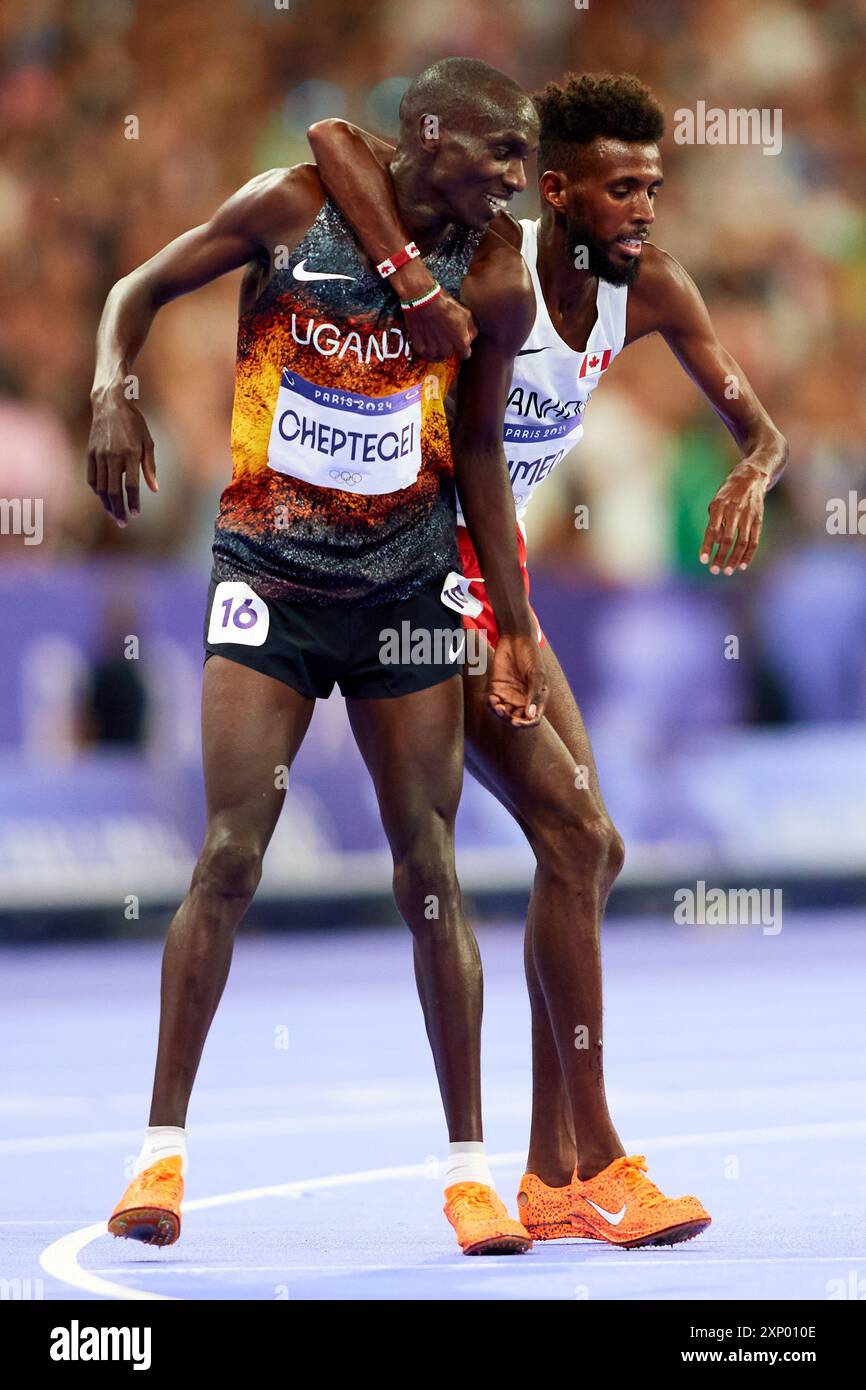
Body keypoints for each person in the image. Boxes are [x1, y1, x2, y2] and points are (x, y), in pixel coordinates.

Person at [306, 69, 788, 1248]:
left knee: (591, 846)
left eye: (655, 188)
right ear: (557, 190)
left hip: (496, 573)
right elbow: (330, 136)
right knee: (575, 839)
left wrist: (751, 472)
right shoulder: (488, 252)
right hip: (415, 569)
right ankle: (598, 1157)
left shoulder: (653, 290)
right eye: (620, 190)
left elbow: (759, 423)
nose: (643, 211)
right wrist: (409, 278)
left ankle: (551, 1173)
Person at [88, 57, 551, 1257]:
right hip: (270, 581)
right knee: (231, 855)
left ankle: (467, 1174)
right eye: (502, 153)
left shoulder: (494, 277)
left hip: (404, 591)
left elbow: (485, 457)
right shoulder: (290, 208)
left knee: (429, 871)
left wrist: (515, 627)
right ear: (432, 136)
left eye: (527, 160)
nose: (519, 179)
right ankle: (158, 1159)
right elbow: (137, 287)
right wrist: (109, 385)